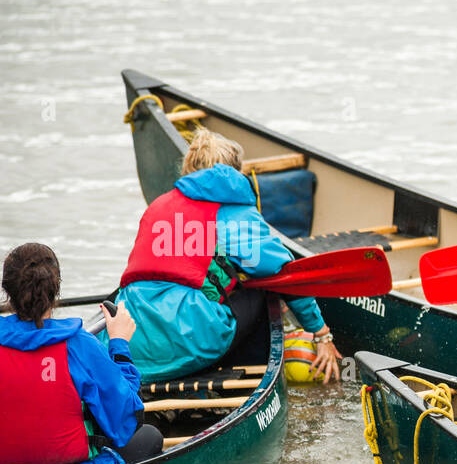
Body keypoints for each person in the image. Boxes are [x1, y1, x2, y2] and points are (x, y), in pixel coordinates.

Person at [118, 129, 342, 382]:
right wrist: (321, 333)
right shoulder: (232, 211)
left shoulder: (158, 205)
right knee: (263, 287)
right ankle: (250, 375)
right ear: (235, 172)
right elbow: (282, 271)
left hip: (130, 341)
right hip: (189, 342)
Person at [0, 243, 162, 464]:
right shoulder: (79, 345)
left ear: (7, 289)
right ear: (55, 290)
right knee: (149, 436)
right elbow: (126, 422)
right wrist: (119, 344)